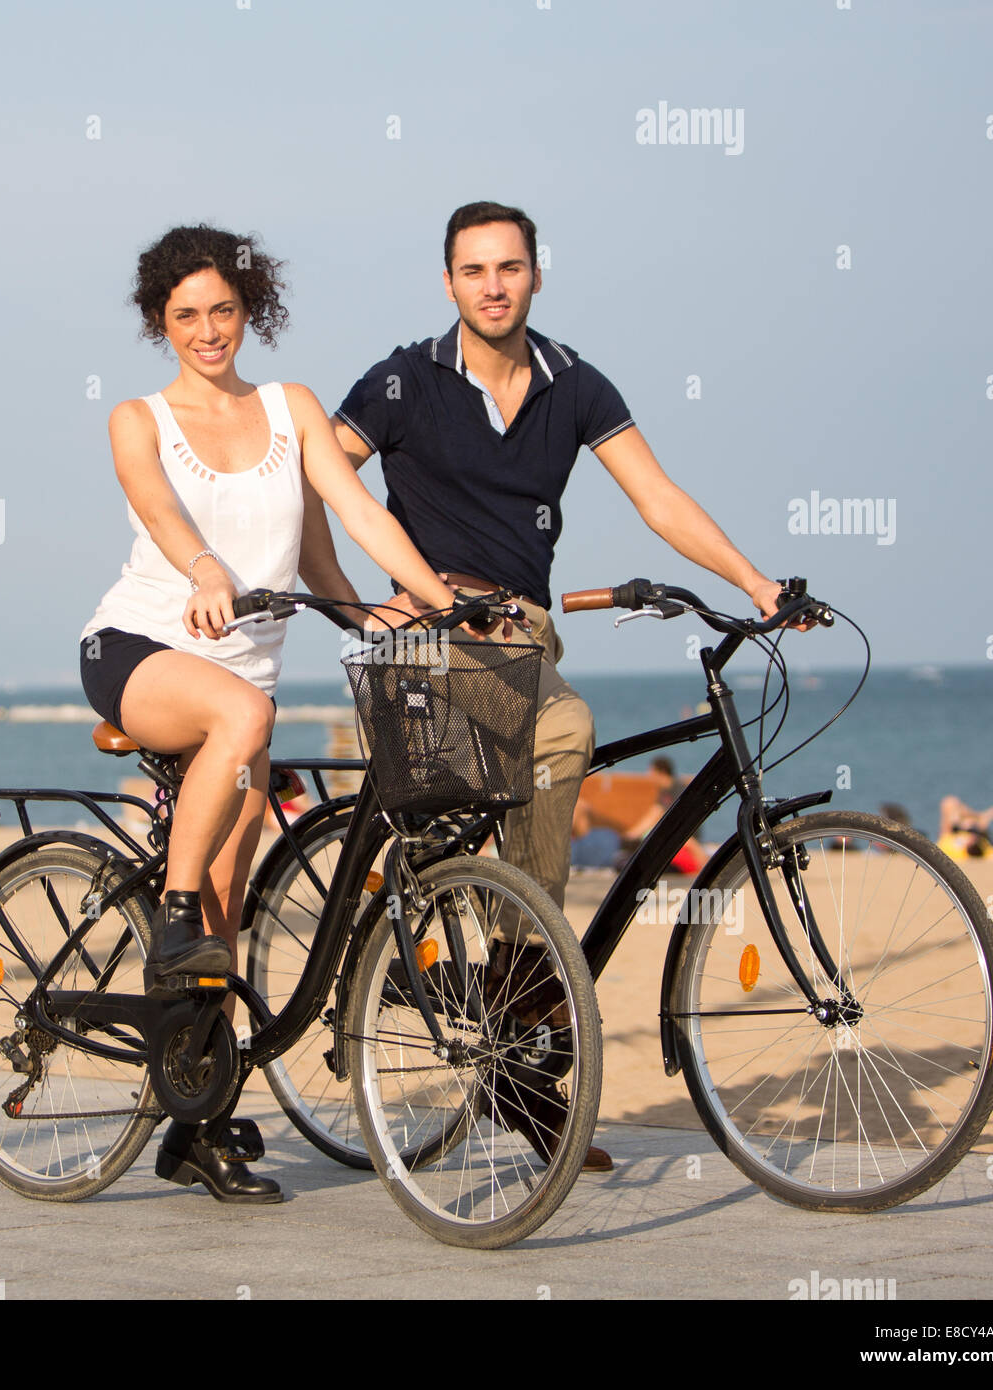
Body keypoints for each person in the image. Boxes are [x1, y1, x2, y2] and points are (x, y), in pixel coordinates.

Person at [304, 200, 797, 1171]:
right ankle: (526, 992)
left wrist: (753, 582)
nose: (493, 284)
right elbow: (319, 480)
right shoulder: (402, 380)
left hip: (525, 638)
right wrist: (364, 605)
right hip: (436, 641)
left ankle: (515, 1008)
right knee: (567, 733)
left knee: (553, 743)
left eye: (510, 267)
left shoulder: (573, 383)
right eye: (474, 269)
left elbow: (654, 496)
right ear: (448, 282)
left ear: (535, 275)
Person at [79, 224, 459, 1204]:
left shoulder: (292, 411)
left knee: (229, 915)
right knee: (231, 755)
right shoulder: (137, 418)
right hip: (138, 653)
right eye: (185, 315)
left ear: (250, 310)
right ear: (161, 322)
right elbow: (161, 511)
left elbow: (348, 534)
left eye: (222, 310)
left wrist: (426, 597)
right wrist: (204, 566)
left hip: (239, 699)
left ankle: (195, 1122)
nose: (207, 330)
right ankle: (167, 916)